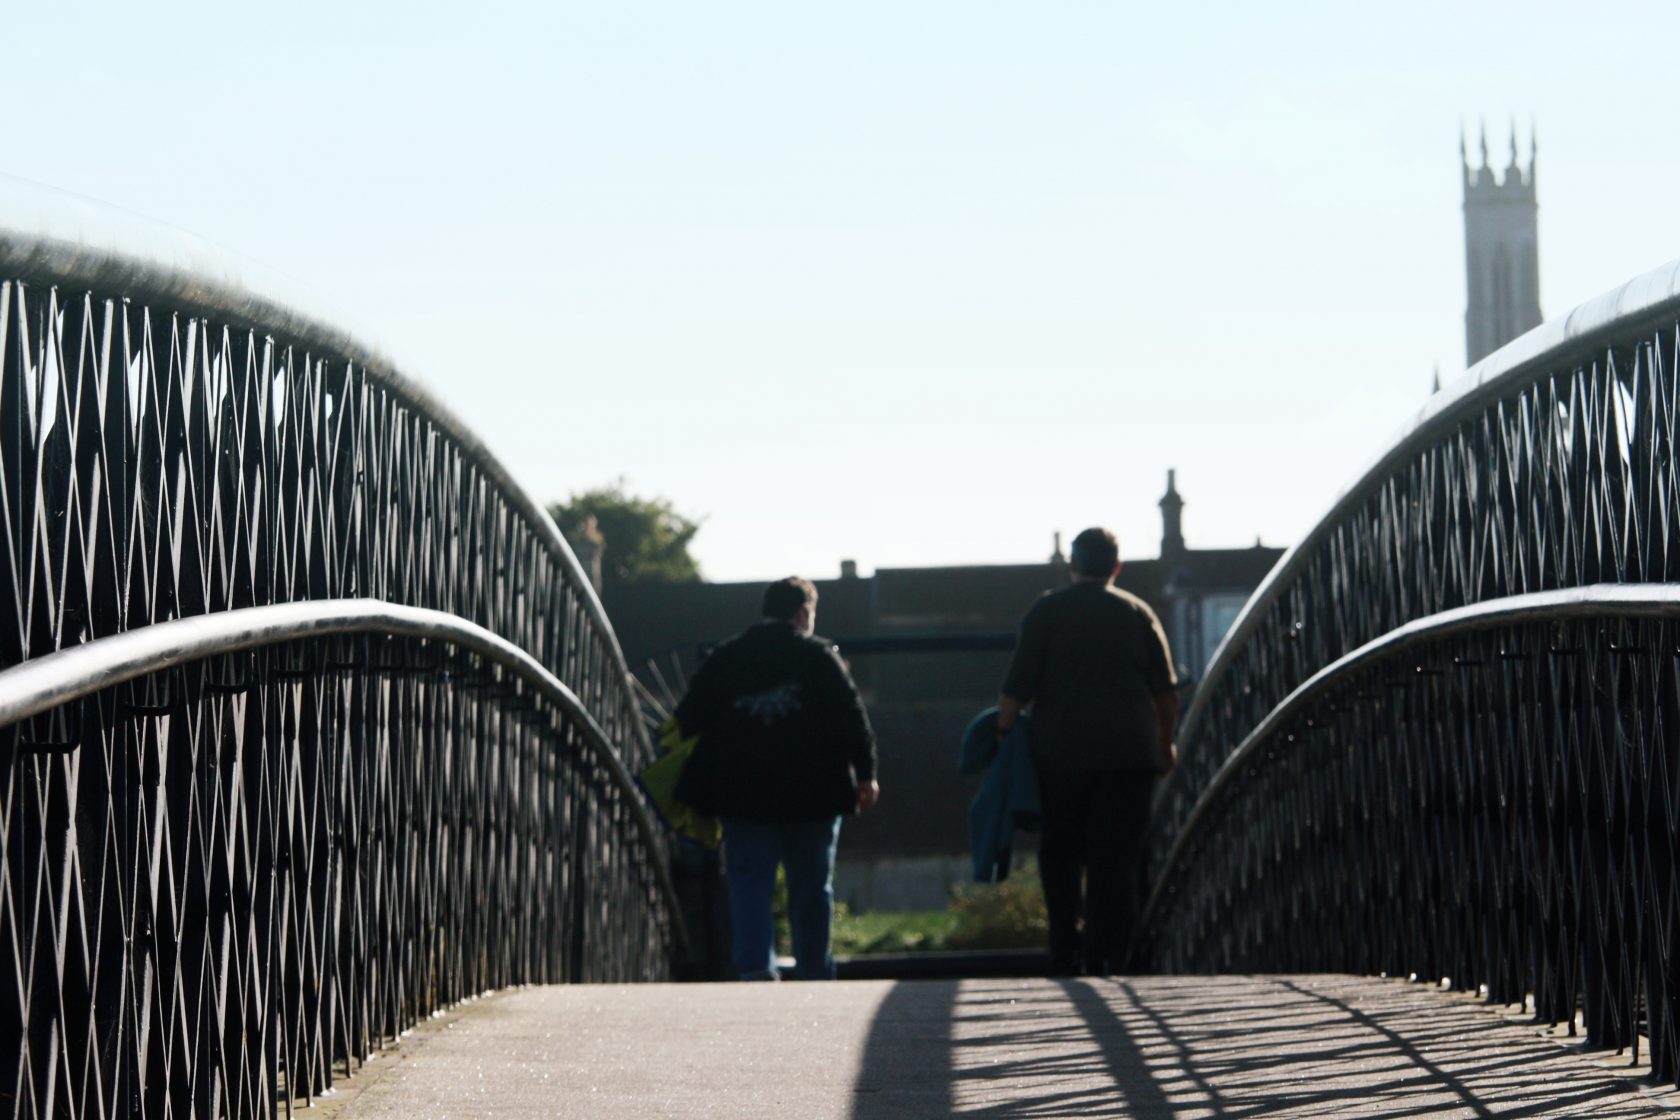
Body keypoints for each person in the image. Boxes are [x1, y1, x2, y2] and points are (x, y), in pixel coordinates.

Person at [674, 577, 879, 980]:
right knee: (812, 888)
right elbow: (853, 719)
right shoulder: (819, 657)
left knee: (749, 884)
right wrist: (866, 774)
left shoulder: (726, 658)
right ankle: (814, 972)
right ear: (803, 613)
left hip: (742, 793)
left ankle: (756, 972)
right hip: (815, 794)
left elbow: (688, 719)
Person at [997, 527, 1178, 977]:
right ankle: (1107, 954)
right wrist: (1165, 742)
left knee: (1059, 851)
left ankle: (1065, 949)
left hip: (1061, 755)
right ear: (1117, 567)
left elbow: (1017, 688)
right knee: (1115, 858)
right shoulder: (1138, 613)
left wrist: (1003, 736)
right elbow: (1166, 692)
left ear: (1072, 565)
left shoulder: (1047, 611)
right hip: (1129, 756)